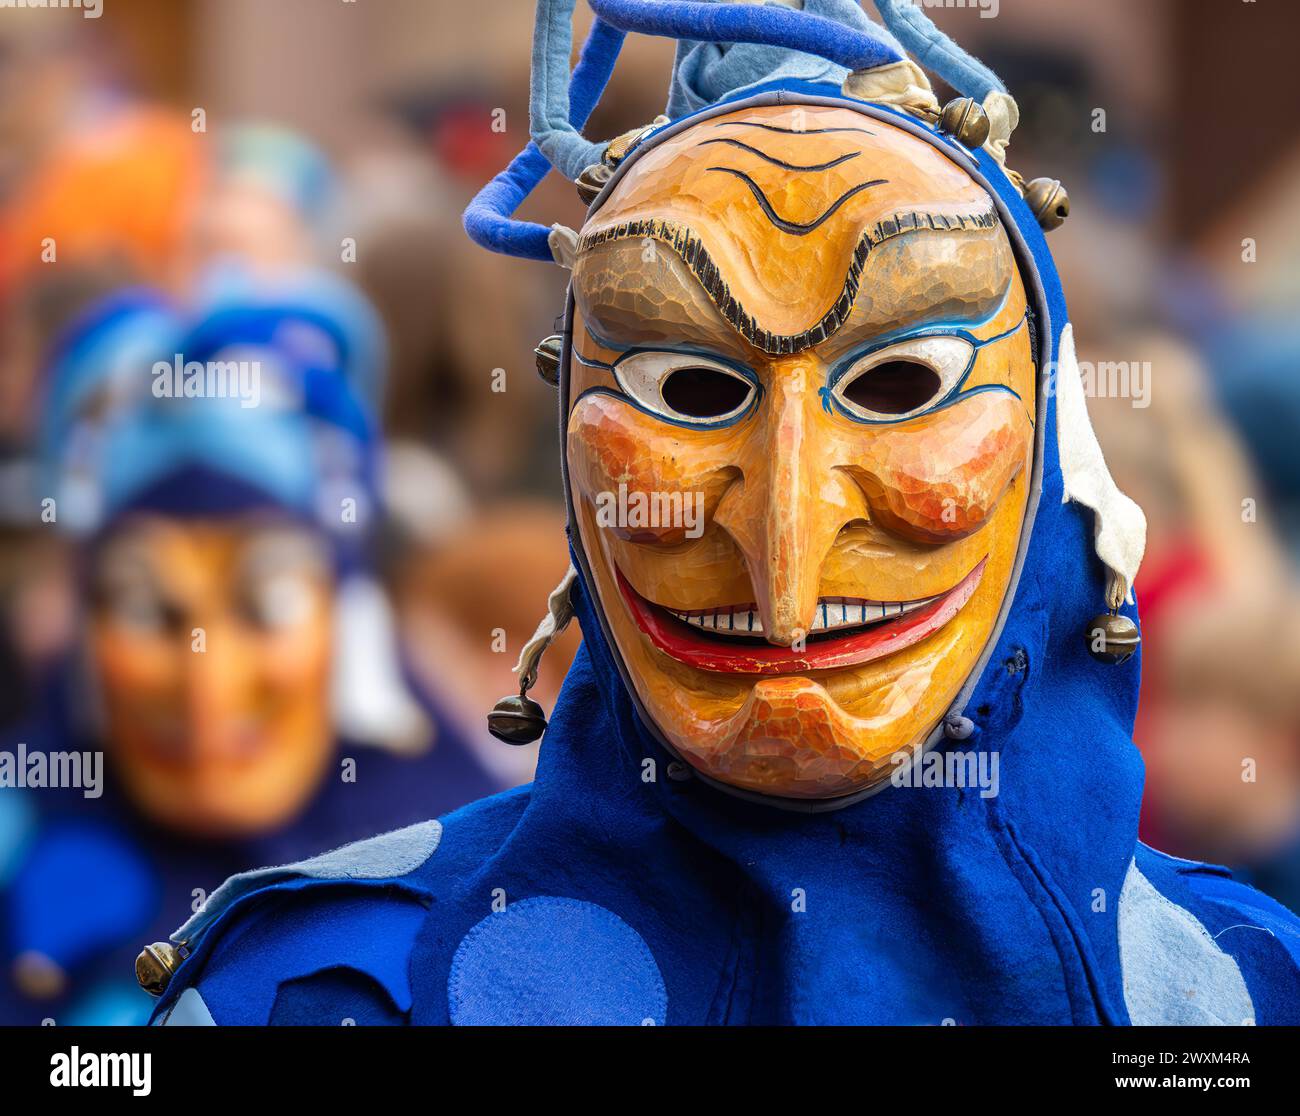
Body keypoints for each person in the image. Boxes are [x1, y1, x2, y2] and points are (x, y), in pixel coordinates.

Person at [142, 0, 1300, 1026]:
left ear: (1051, 457)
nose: (781, 544)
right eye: (684, 389)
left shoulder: (1241, 994)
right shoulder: (308, 994)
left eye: (902, 382)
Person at [0, 267, 499, 1025]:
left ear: (347, 620)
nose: (209, 685)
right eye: (146, 611)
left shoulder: (475, 871)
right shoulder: (20, 843)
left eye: (268, 607)